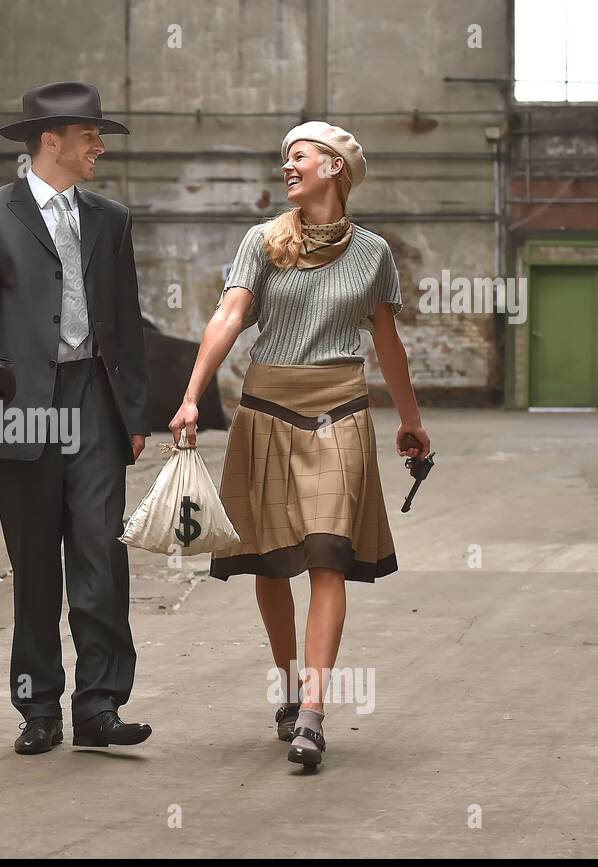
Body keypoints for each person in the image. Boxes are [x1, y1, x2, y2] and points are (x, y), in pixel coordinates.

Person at [168, 121, 430, 770]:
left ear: (335, 168)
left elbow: (387, 346)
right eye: (285, 157)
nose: (288, 166)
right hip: (266, 410)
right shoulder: (263, 241)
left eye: (300, 156)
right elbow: (229, 315)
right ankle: (287, 685)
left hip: (339, 410)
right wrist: (192, 393)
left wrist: (411, 420)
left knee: (327, 556)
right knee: (270, 557)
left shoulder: (373, 253)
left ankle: (312, 711)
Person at [0, 81, 153, 755]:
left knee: (100, 552)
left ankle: (100, 705)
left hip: (94, 396)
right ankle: (39, 709)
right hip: (19, 405)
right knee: (36, 563)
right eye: (90, 134)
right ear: (50, 141)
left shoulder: (112, 220)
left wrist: (135, 410)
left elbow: (126, 324)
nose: (99, 144)